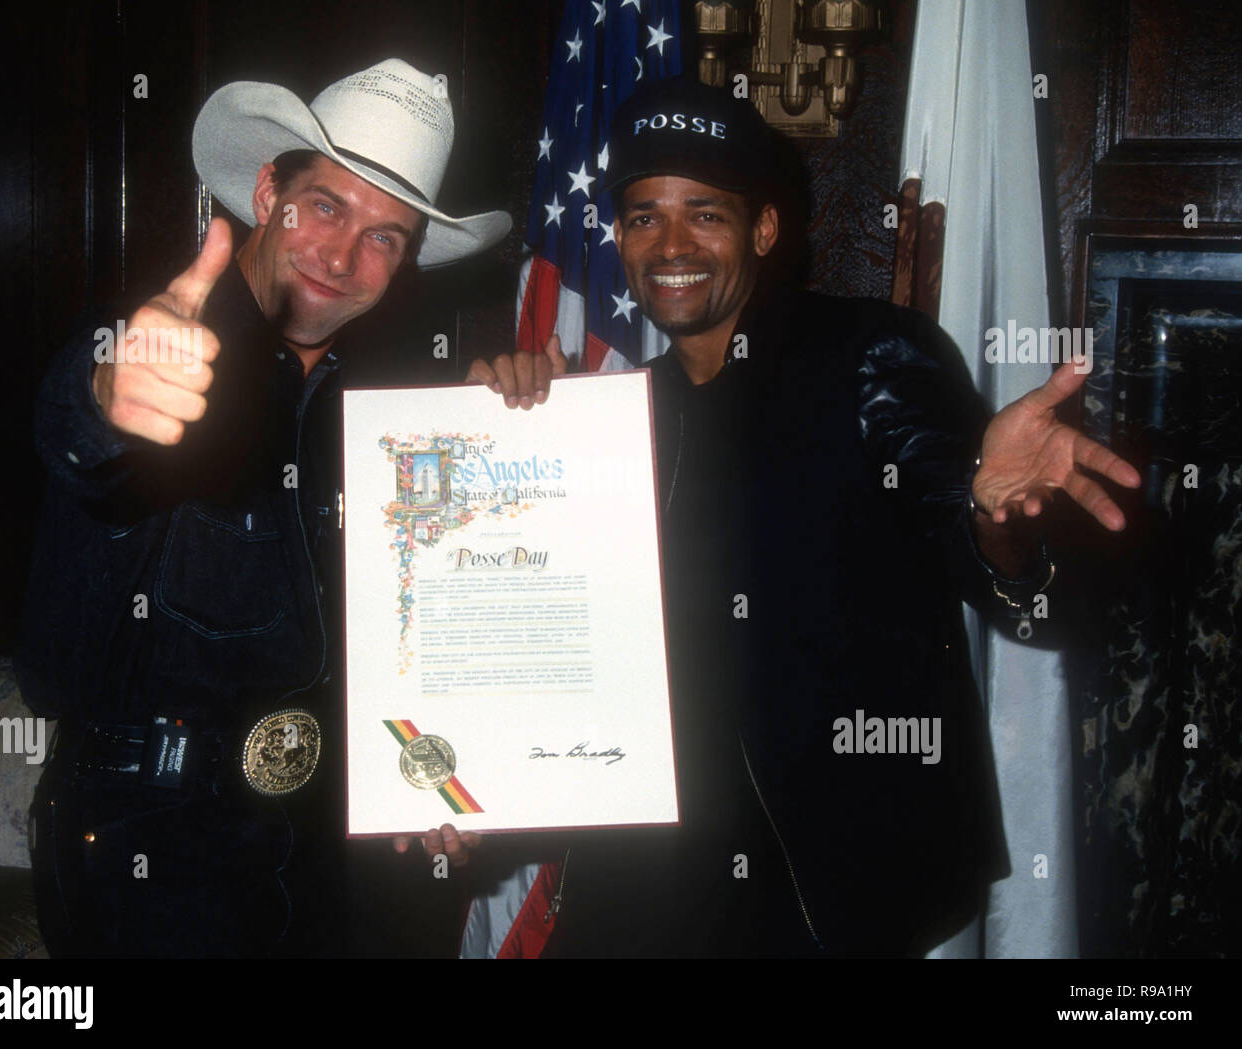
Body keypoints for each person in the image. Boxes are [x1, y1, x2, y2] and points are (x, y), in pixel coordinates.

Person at [465, 77, 1141, 957]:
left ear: (765, 229)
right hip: (642, 875)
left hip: (818, 889)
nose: (670, 244)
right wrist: (498, 440)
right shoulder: (615, 413)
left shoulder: (867, 353)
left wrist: (993, 511)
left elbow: (977, 540)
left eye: (705, 213)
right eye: (643, 216)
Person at [16, 58, 511, 957]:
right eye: (325, 206)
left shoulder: (402, 412)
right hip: (152, 862)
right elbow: (80, 431)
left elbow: (431, 643)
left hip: (350, 863)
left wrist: (437, 776)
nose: (343, 256)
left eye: (385, 237)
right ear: (266, 190)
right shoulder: (153, 350)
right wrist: (107, 399)